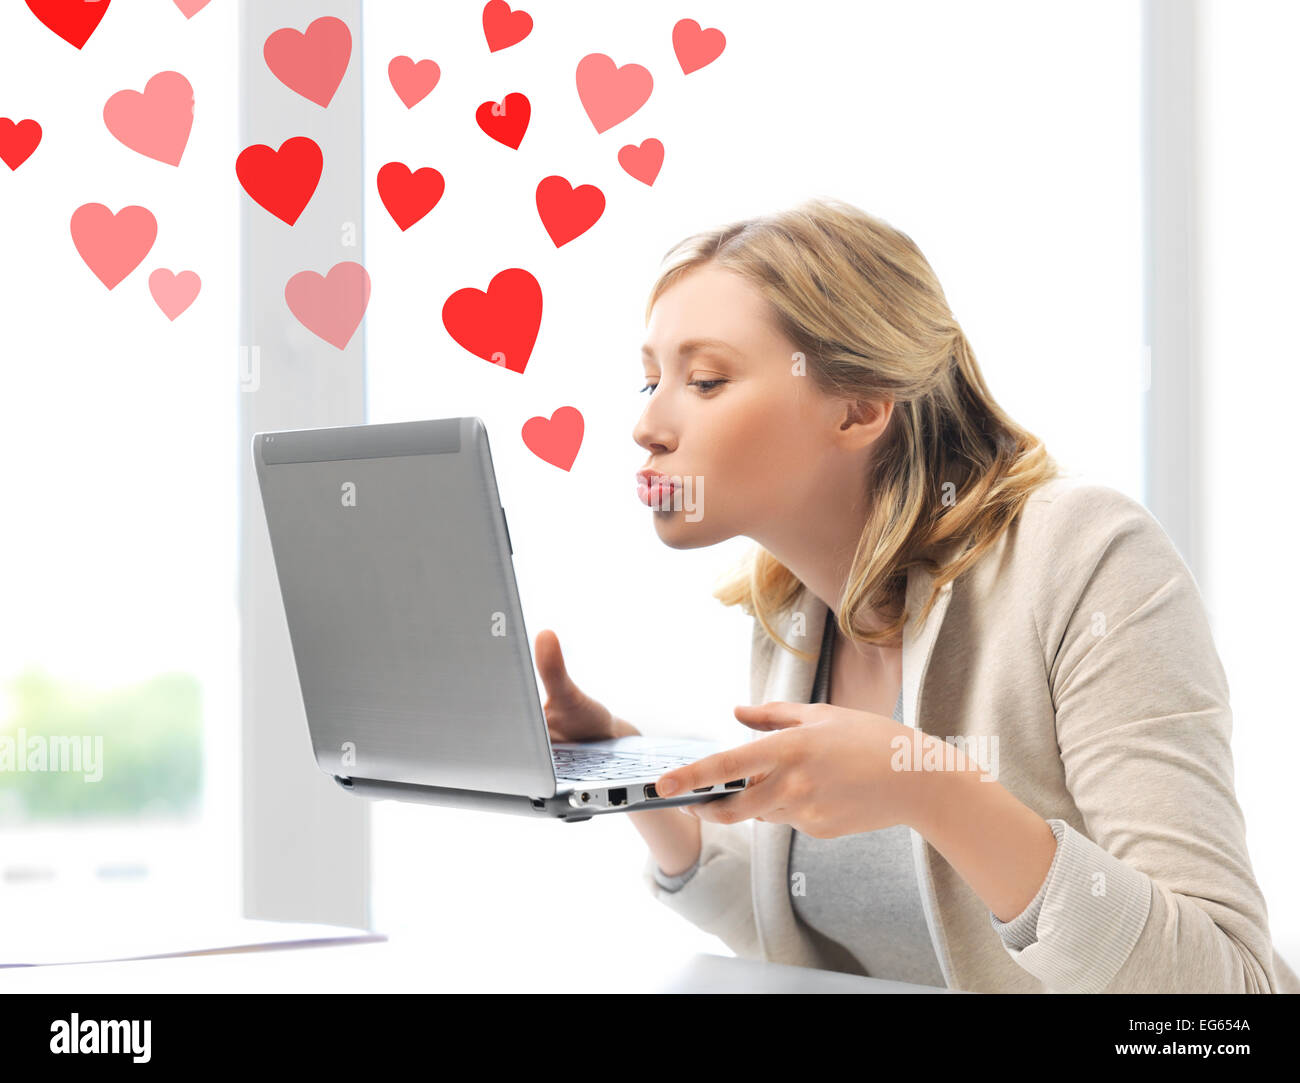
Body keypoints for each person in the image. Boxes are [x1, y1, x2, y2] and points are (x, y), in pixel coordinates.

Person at [533, 197, 1298, 993]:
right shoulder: (796, 612)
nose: (647, 425)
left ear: (860, 407)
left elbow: (1224, 997)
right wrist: (632, 777)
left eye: (705, 379)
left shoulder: (1087, 555)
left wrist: (928, 788)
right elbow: (834, 943)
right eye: (651, 378)